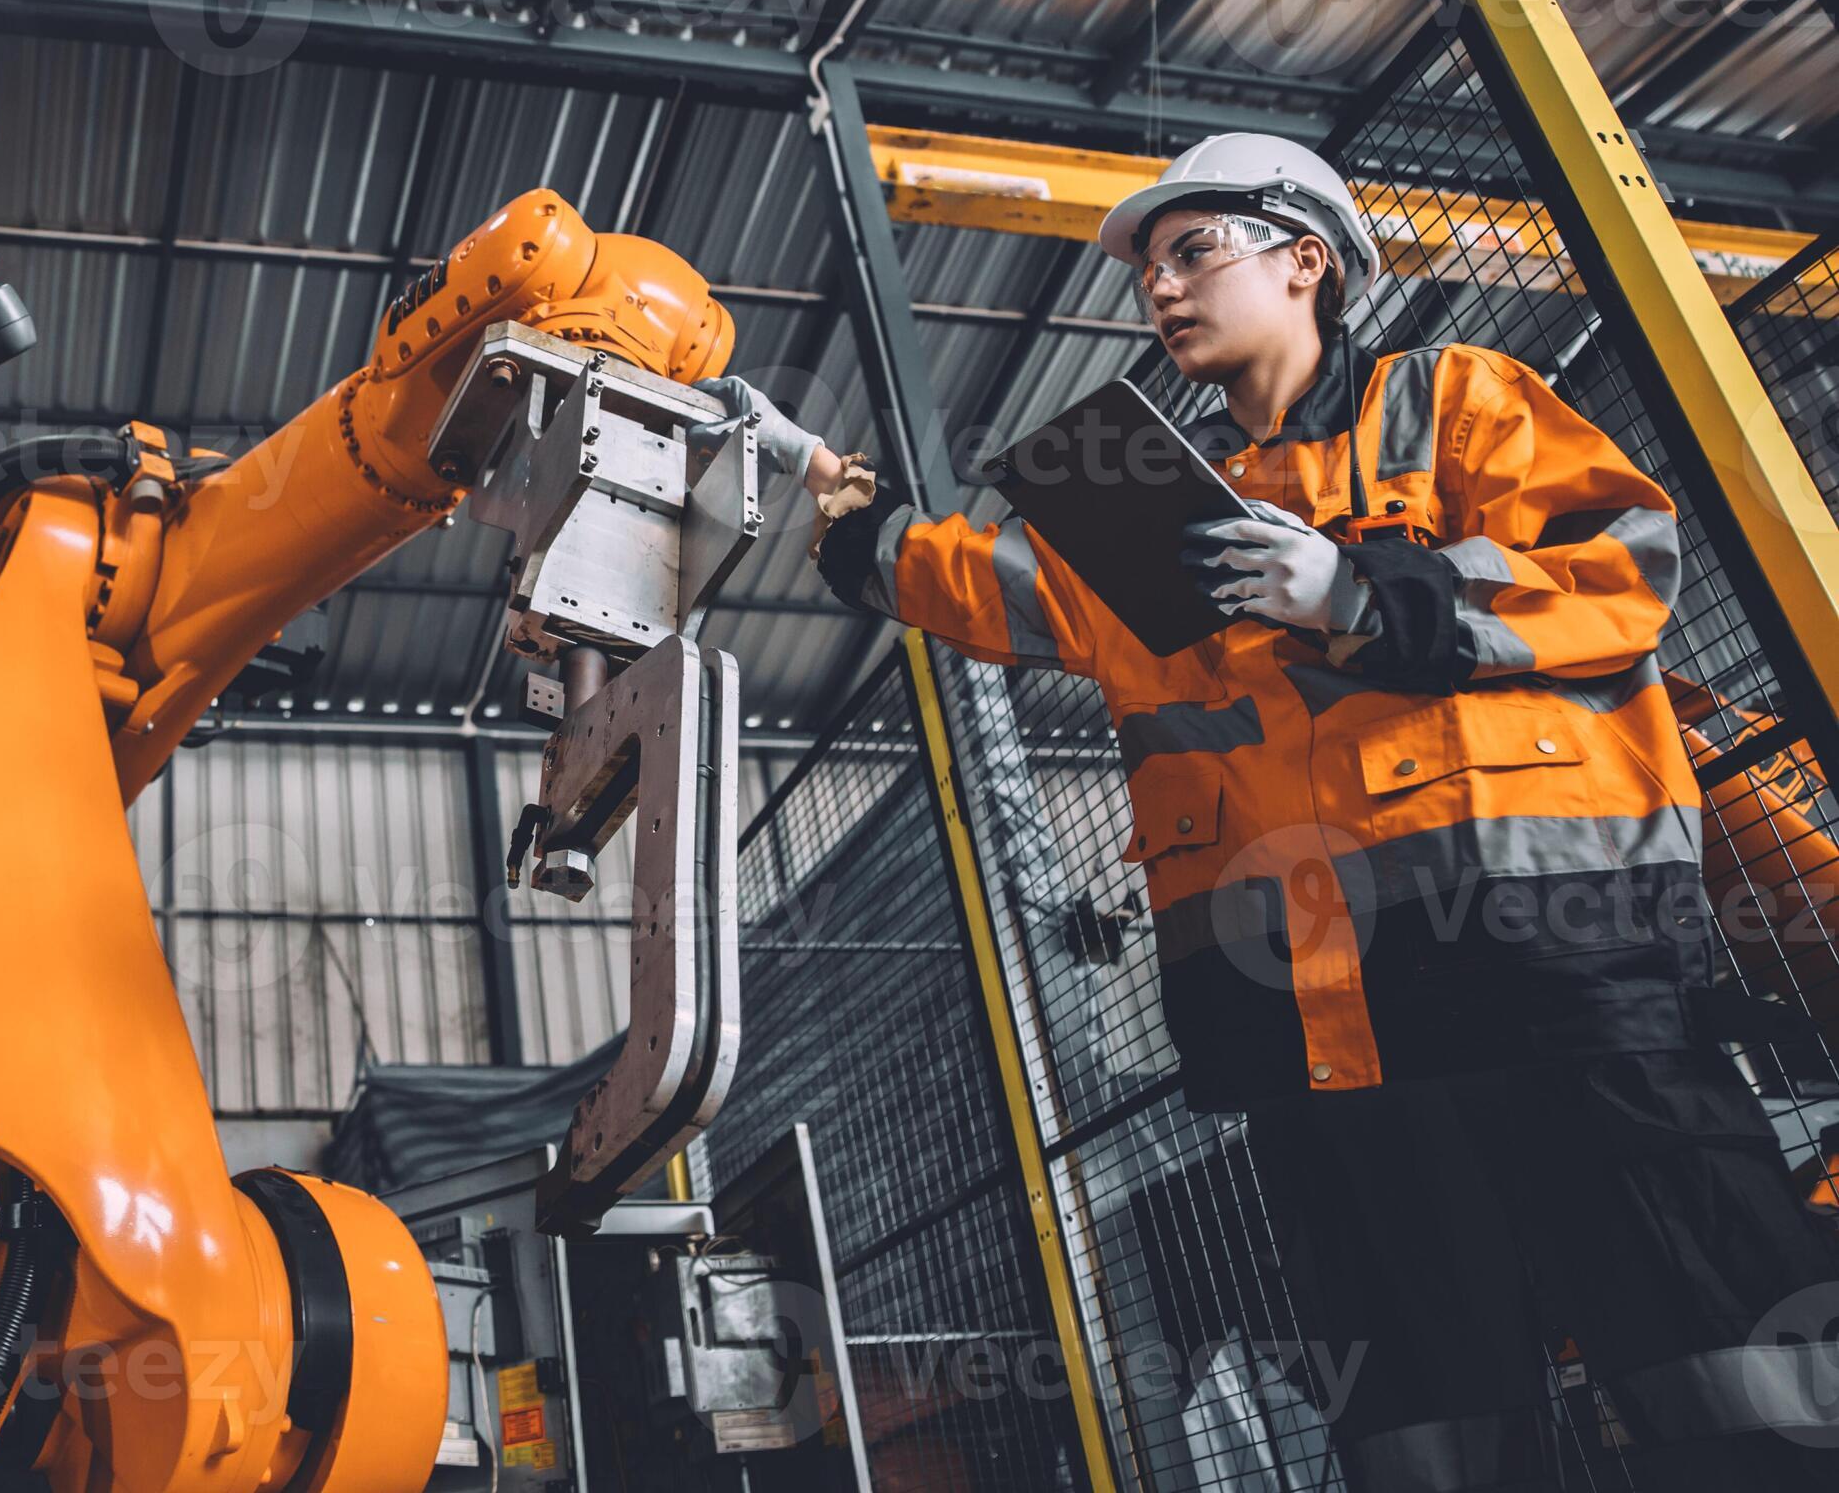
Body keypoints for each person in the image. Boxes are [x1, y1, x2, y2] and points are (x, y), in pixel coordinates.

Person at [703, 132, 1839, 1490]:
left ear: (1310, 260)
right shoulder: (1158, 521)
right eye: (1147, 274)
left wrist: (1363, 593)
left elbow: (1624, 569)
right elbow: (993, 587)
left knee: (1724, 1372)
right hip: (1330, 1061)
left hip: (1562, 1003)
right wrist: (836, 504)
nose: (1161, 291)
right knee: (1429, 1432)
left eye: (1195, 251)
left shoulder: (1458, 402)